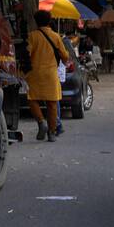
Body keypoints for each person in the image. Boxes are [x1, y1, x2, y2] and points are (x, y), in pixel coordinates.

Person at [26, 9, 68, 142]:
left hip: (35, 73)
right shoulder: (56, 36)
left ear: (36, 21)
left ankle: (41, 122)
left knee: (32, 99)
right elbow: (65, 56)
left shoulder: (31, 36)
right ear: (49, 21)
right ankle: (51, 132)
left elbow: (27, 54)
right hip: (51, 73)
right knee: (52, 104)